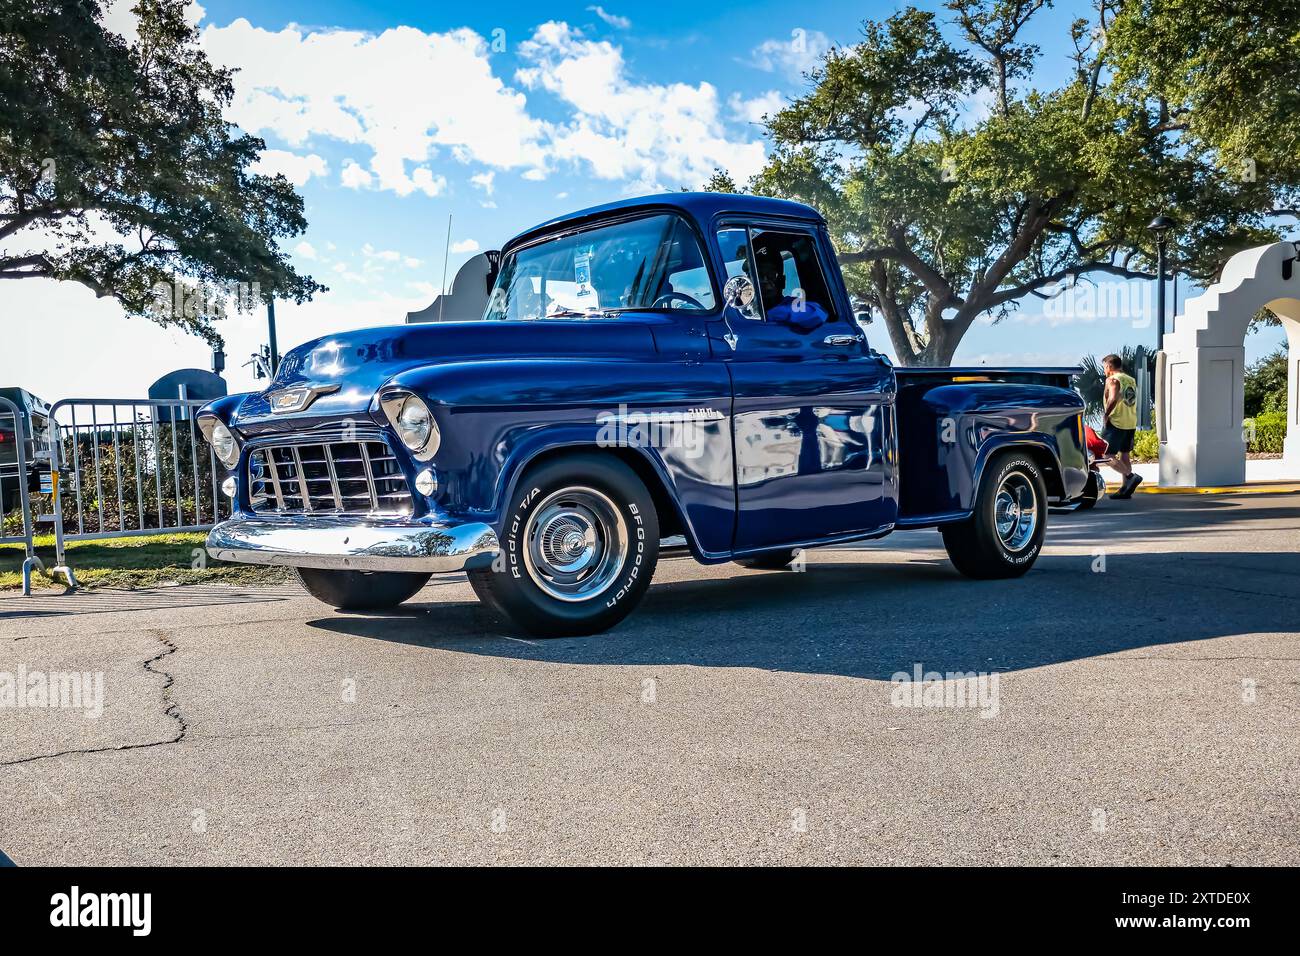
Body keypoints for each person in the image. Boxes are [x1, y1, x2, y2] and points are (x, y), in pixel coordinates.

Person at [1101, 354, 1142, 499]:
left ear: (1109, 366)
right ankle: (1125, 489)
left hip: (1116, 422)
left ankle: (1130, 476)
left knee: (1106, 455)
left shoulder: (1112, 379)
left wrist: (1106, 414)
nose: (1104, 370)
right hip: (1130, 421)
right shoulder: (1130, 379)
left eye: (1105, 367)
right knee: (1124, 454)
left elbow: (1113, 397)